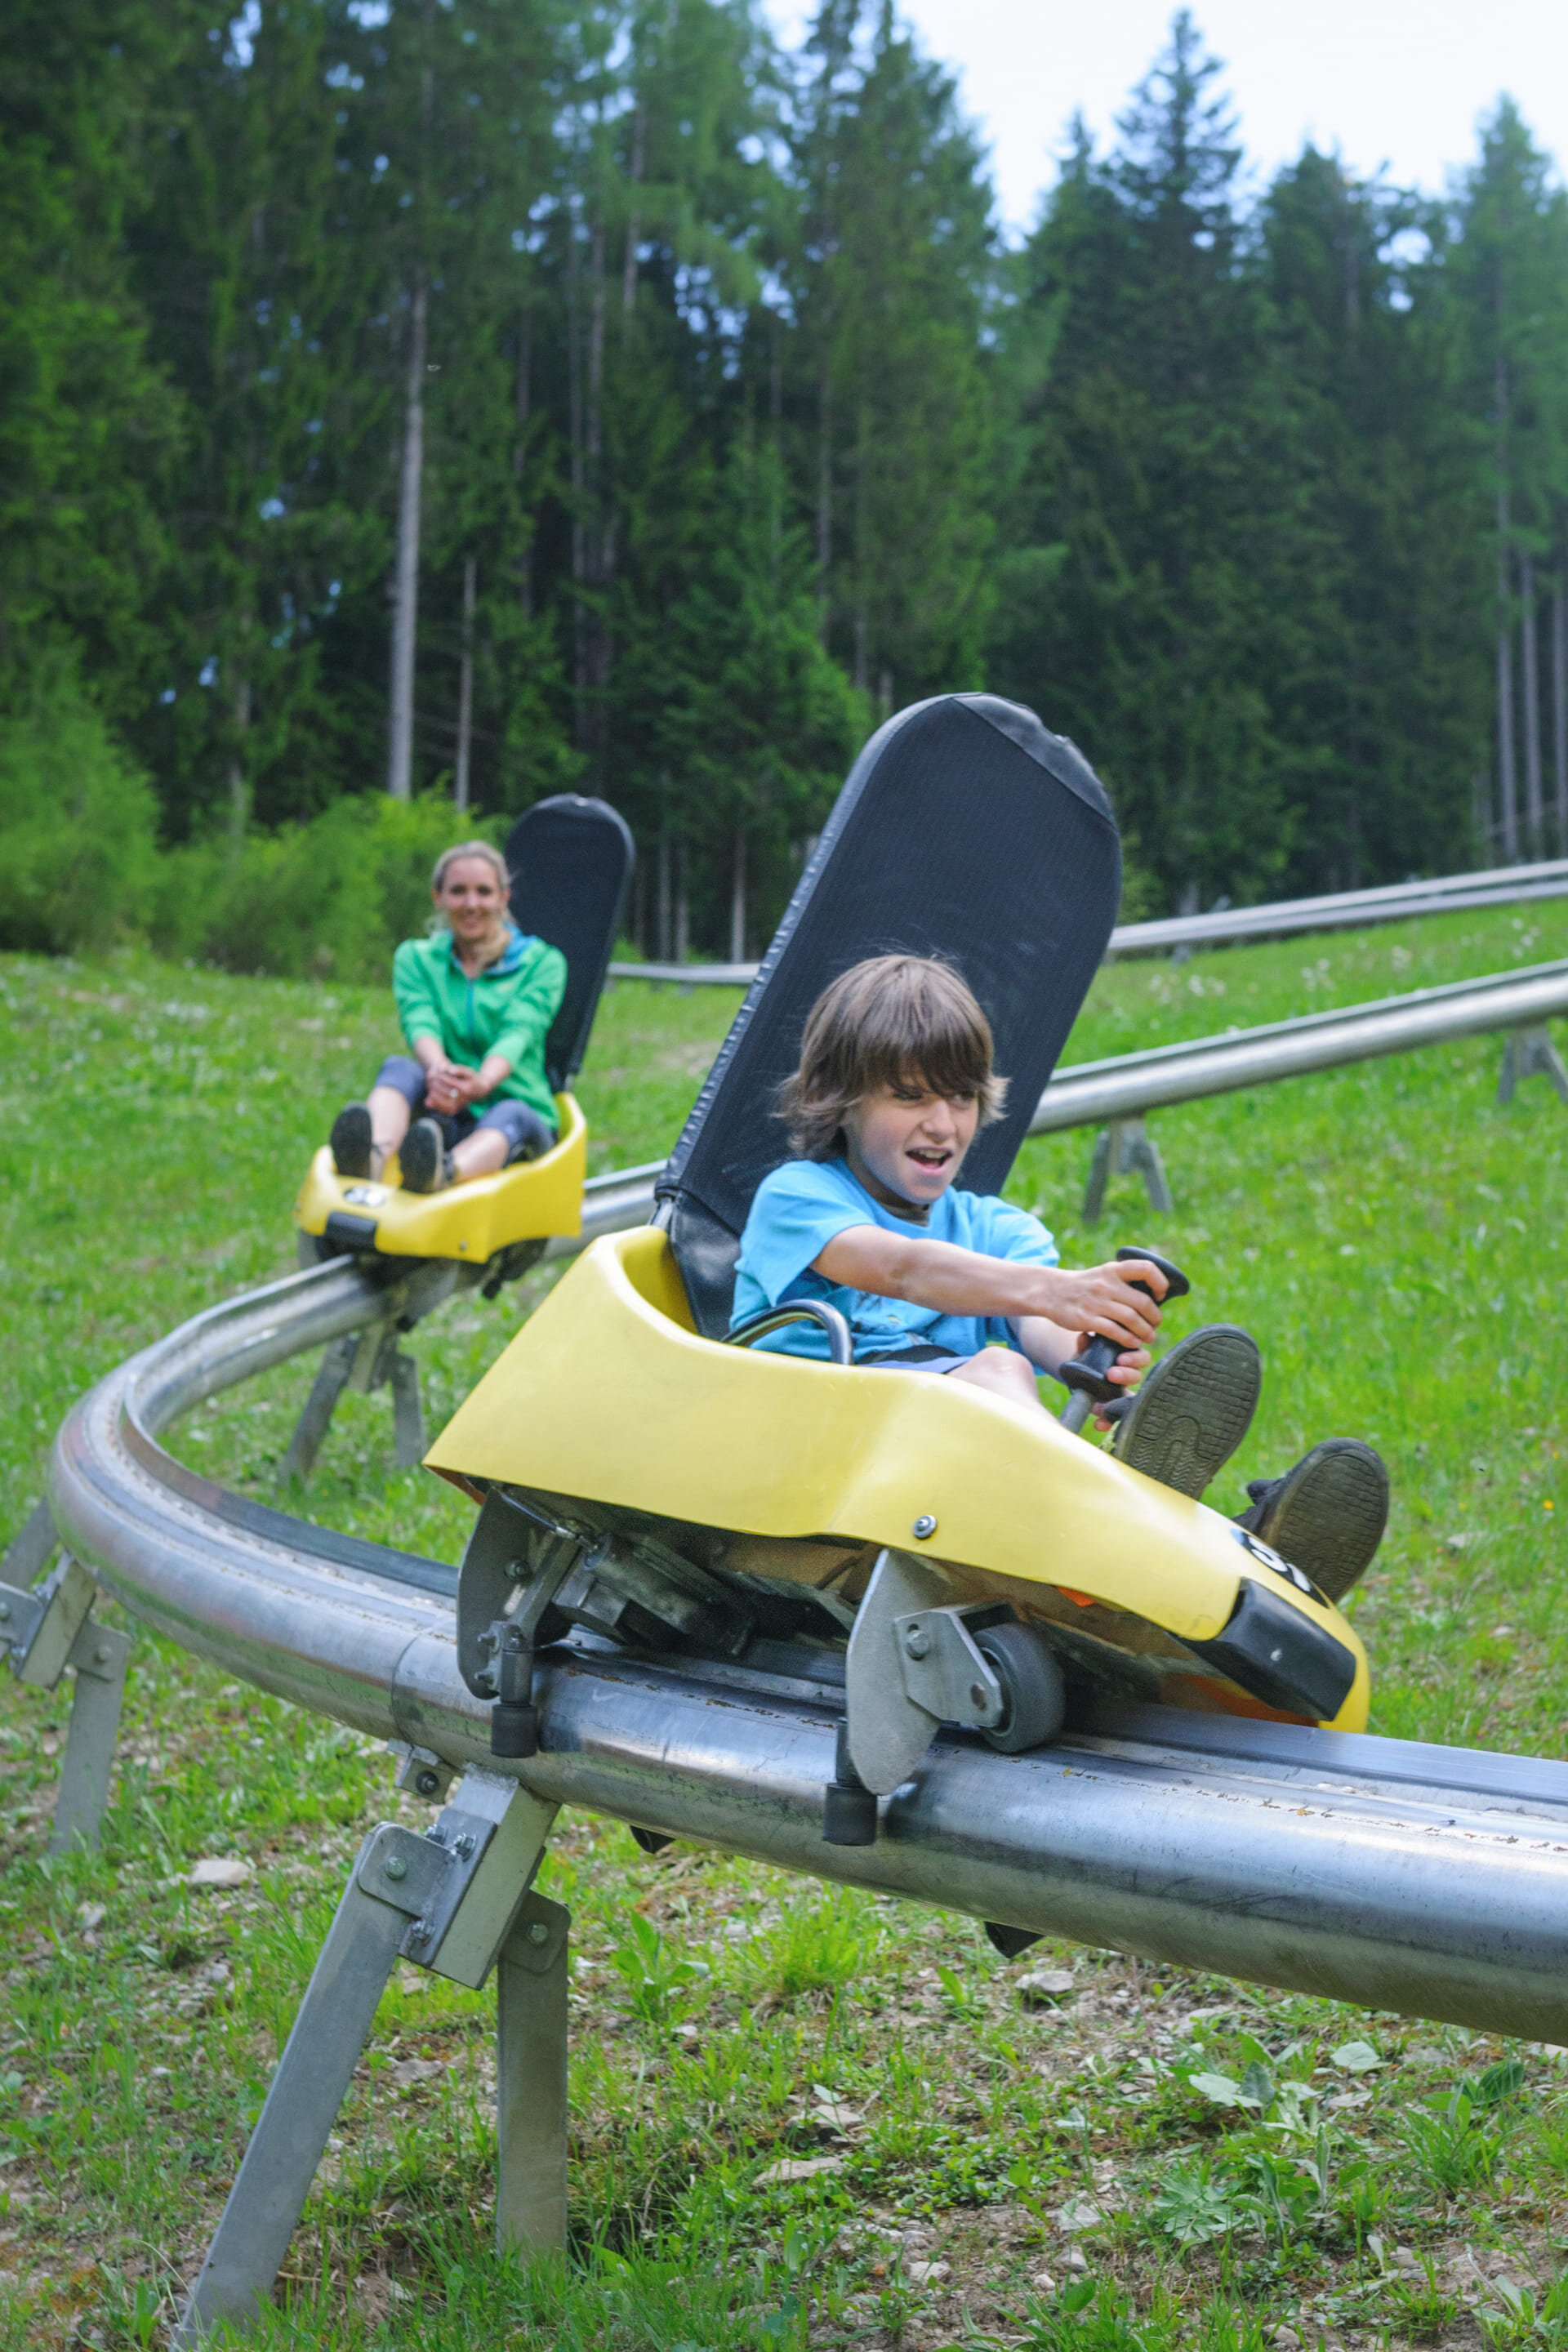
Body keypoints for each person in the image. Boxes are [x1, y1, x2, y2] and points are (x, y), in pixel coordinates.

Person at [732, 954, 1388, 1601]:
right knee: (998, 1374)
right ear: (835, 1099)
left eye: (960, 1096)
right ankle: (1131, 1531)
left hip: (936, 1484)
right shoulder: (797, 1196)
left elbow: (1040, 1329)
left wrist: (1090, 1345)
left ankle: (1236, 1552)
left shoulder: (996, 1229)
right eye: (910, 1096)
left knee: (1015, 1375)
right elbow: (899, 1268)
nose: (942, 1123)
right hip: (810, 1461)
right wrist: (1054, 1289)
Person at [329, 839, 566, 1196]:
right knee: (399, 1068)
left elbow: (521, 1030)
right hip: (443, 1115)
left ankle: (440, 1173)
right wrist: (439, 1070)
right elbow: (419, 1018)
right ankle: (369, 1161)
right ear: (438, 897)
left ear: (503, 898)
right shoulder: (417, 958)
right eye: (458, 892)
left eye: (483, 892)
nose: (471, 904)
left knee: (510, 1111)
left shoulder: (543, 963)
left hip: (514, 1120)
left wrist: (483, 1082)